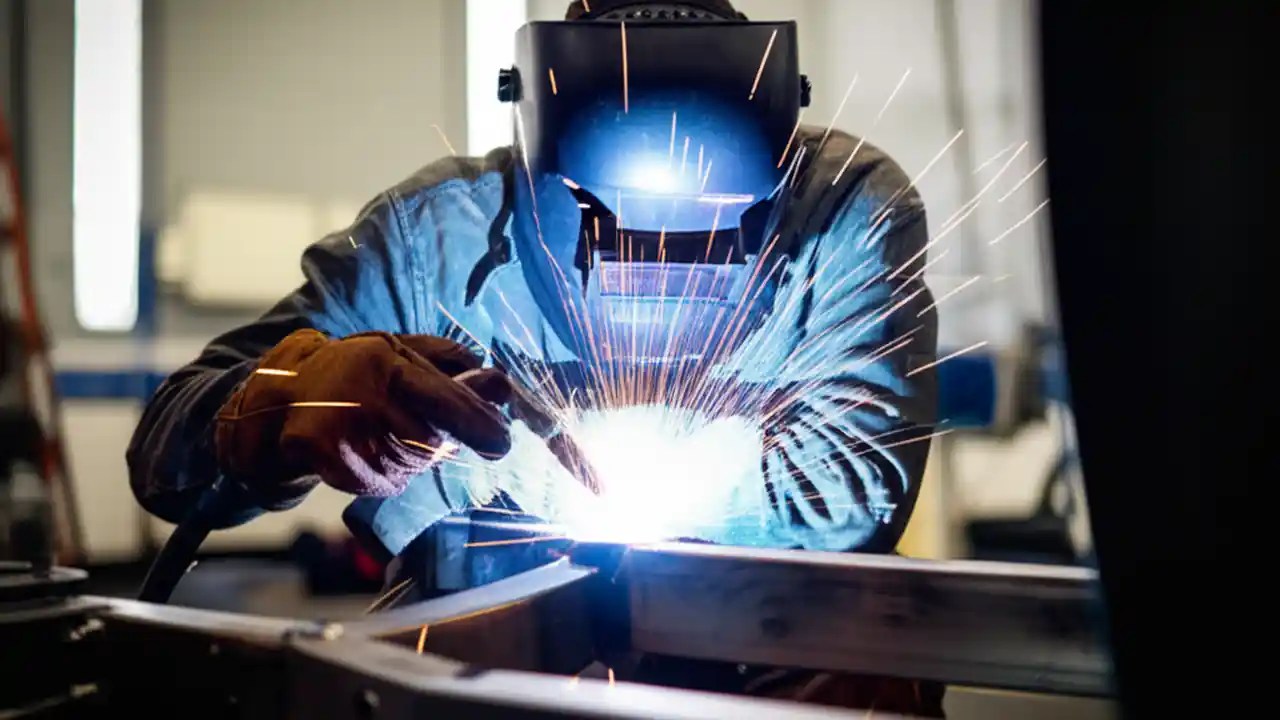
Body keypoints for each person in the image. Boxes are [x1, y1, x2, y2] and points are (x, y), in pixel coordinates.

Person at [127, 0, 941, 713]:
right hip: (488, 674)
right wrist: (282, 405)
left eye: (714, 229)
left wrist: (522, 463)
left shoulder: (844, 210)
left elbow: (852, 491)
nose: (655, 262)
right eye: (607, 222)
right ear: (537, 154)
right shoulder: (427, 245)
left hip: (778, 674)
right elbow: (164, 453)